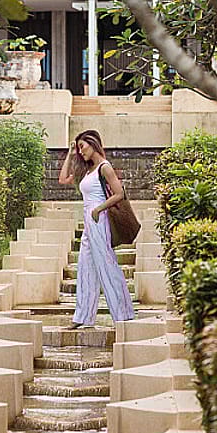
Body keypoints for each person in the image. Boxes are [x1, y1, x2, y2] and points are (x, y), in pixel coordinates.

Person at [57, 129, 135, 328]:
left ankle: (123, 315)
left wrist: (99, 209)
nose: (81, 151)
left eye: (82, 146)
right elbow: (63, 179)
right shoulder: (87, 170)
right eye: (78, 148)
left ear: (93, 144)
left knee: (107, 265)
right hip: (89, 222)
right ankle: (82, 317)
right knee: (85, 268)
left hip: (98, 219)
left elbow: (119, 194)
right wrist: (70, 154)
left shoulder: (104, 167)